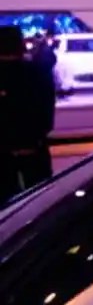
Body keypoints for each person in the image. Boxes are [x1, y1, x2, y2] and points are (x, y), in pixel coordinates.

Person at [0, 26, 56, 202]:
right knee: (40, 200)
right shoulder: (37, 72)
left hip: (2, 152)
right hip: (34, 147)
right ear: (20, 45)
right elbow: (47, 108)